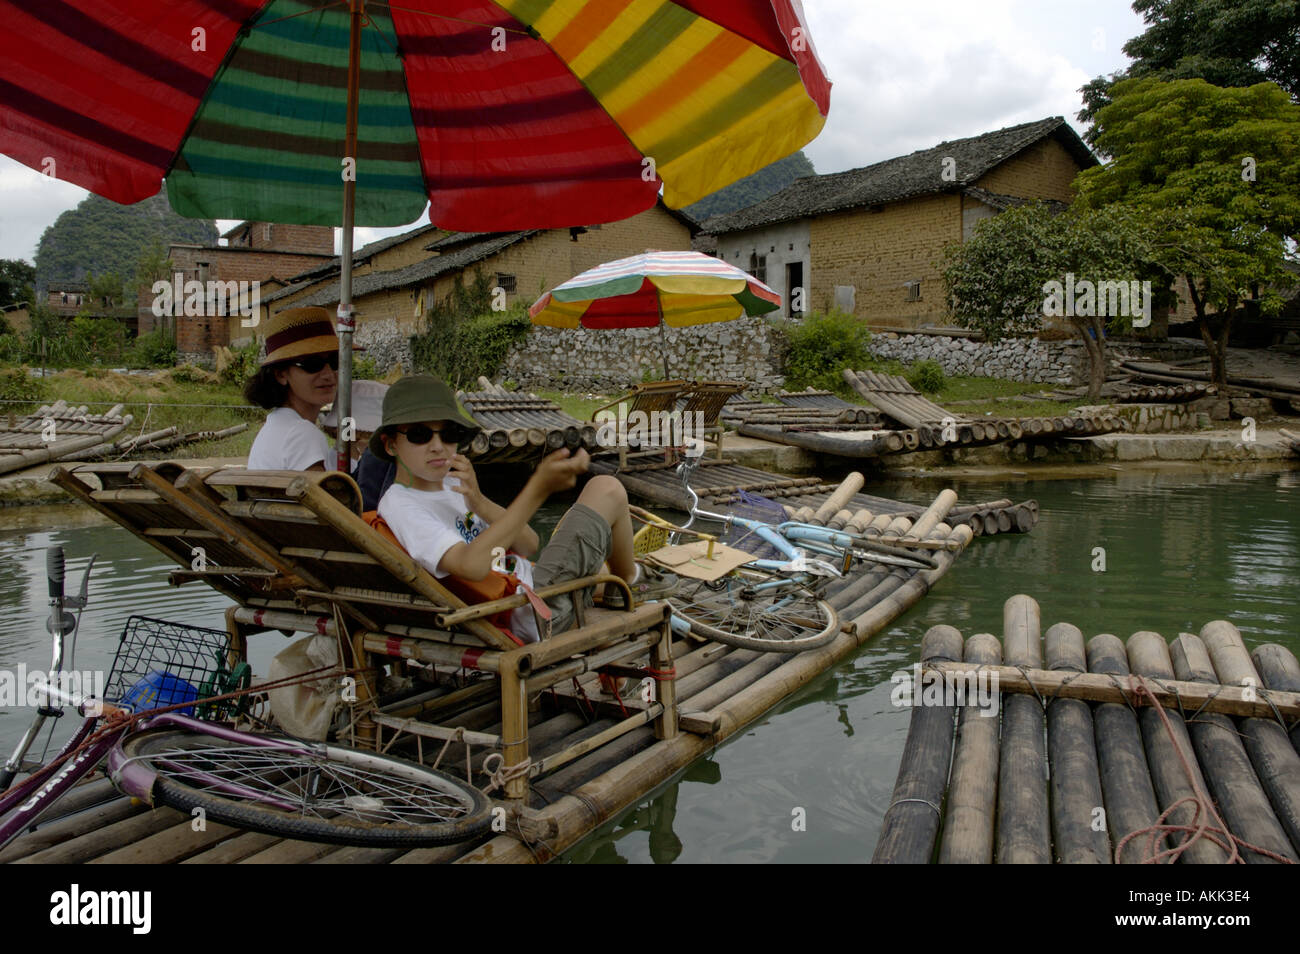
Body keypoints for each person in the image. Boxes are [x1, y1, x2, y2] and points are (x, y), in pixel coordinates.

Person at [370, 374, 661, 646]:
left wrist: (479, 501)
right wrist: (538, 488)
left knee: (603, 568)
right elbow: (471, 566)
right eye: (420, 435)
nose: (438, 446)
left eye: (449, 434)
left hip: (532, 591)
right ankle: (631, 581)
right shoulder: (401, 504)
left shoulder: (451, 486)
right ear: (391, 444)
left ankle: (624, 583)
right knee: (606, 488)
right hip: (535, 614)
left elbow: (529, 543)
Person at [244, 307, 339, 471]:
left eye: (335, 361)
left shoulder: (277, 426)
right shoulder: (302, 433)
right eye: (312, 364)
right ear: (281, 375)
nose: (328, 374)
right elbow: (326, 497)